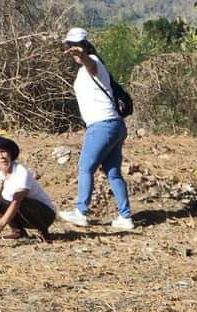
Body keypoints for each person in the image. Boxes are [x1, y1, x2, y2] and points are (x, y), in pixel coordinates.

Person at [58, 26, 133, 232]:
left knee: (85, 168)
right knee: (113, 173)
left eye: (76, 46)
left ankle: (81, 212)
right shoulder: (89, 67)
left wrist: (83, 55)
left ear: (85, 46)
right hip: (114, 125)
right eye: (70, 46)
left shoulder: (93, 62)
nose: (72, 50)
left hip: (102, 125)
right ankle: (125, 217)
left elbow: (91, 65)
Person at [0, 134, 55, 242]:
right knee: (0, 201)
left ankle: (43, 232)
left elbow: (17, 201)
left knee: (21, 200)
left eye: (3, 151)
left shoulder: (21, 171)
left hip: (44, 213)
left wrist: (1, 223)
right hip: (20, 213)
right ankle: (18, 232)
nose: (1, 156)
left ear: (10, 154)